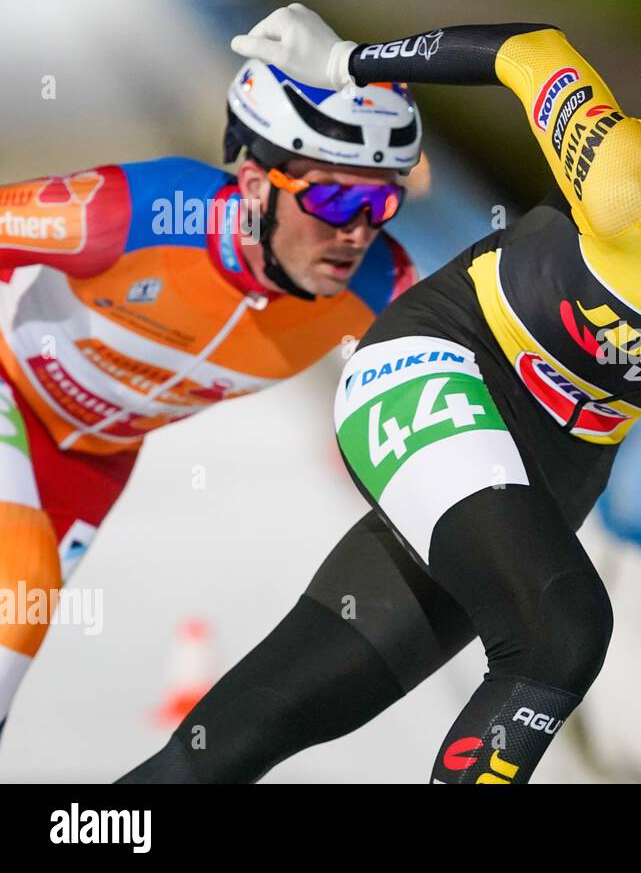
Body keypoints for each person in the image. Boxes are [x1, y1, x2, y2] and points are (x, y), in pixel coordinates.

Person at [120, 3, 641, 784]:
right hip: (447, 362)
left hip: (555, 463)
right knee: (557, 639)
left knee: (255, 725)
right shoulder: (639, 188)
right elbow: (532, 54)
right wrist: (345, 59)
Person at [0, 54, 424, 745]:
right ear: (256, 185)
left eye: (381, 202)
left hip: (92, 461)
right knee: (18, 585)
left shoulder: (383, 285)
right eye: (335, 200)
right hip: (9, 382)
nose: (357, 230)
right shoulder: (135, 211)